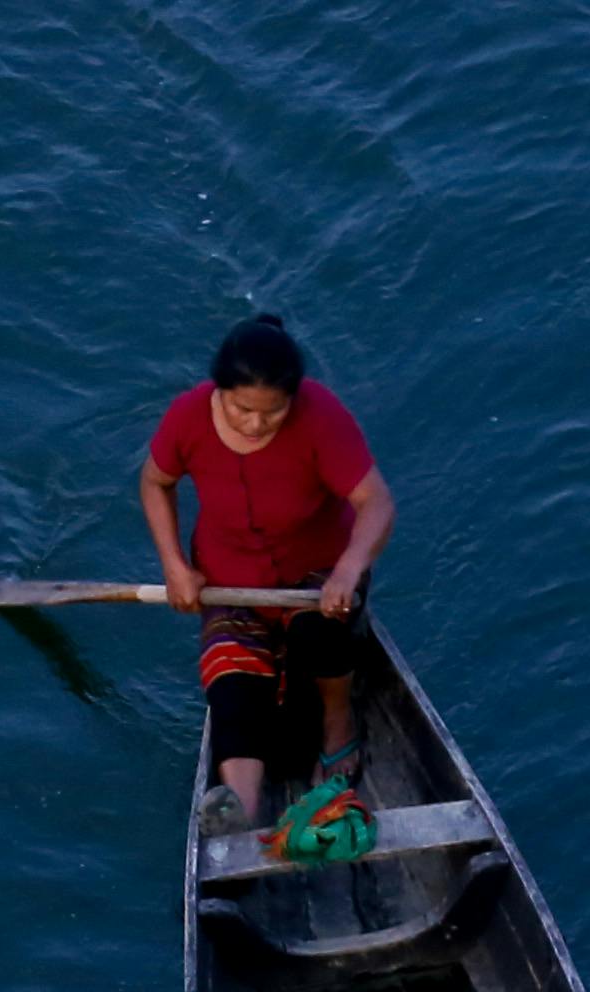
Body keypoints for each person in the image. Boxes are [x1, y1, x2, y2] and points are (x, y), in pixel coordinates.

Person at [139, 314, 397, 831]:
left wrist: (347, 570)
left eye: (272, 413)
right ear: (220, 391)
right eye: (241, 409)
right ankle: (241, 809)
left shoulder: (321, 416)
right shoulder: (186, 417)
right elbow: (155, 482)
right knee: (232, 687)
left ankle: (337, 720)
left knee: (320, 632)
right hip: (226, 578)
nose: (255, 424)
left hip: (317, 575)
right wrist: (175, 565)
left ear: (293, 399)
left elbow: (377, 503)